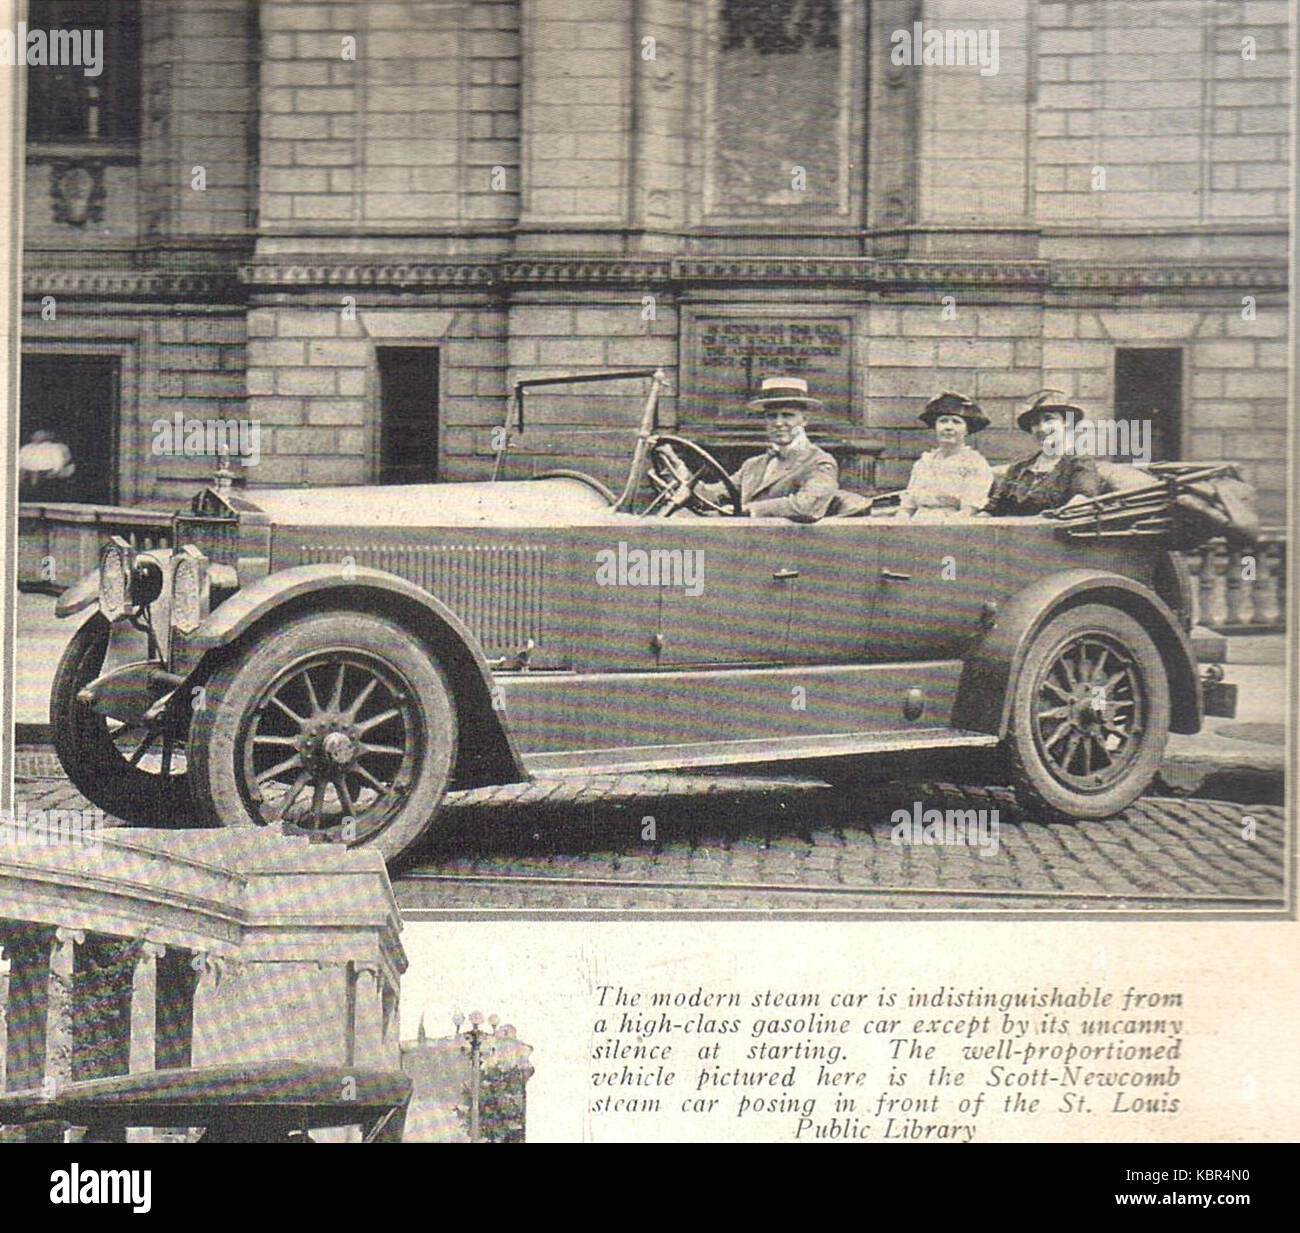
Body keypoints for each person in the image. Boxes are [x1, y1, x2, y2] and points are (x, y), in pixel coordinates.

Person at [698, 375, 839, 521]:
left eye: (787, 415)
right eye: (772, 416)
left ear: (804, 420)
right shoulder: (753, 465)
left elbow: (806, 506)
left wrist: (748, 509)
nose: (778, 423)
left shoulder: (819, 463)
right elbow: (712, 494)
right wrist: (680, 471)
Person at [983, 389, 1100, 517]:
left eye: (1049, 419)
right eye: (1035, 423)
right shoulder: (1019, 468)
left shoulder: (1080, 463)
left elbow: (1081, 502)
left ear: (1067, 422)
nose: (1042, 428)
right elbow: (994, 508)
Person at [898, 391, 994, 519]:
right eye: (943, 421)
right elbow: (907, 507)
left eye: (956, 422)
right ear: (935, 427)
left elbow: (969, 510)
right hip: (917, 522)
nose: (949, 427)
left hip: (953, 526)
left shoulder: (975, 463)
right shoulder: (925, 462)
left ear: (966, 430)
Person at [17, 428, 76, 499]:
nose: (37, 437)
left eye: (40, 435)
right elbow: (20, 461)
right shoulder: (26, 448)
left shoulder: (55, 447)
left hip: (47, 473)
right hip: (29, 473)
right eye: (36, 435)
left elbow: (58, 460)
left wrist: (55, 471)